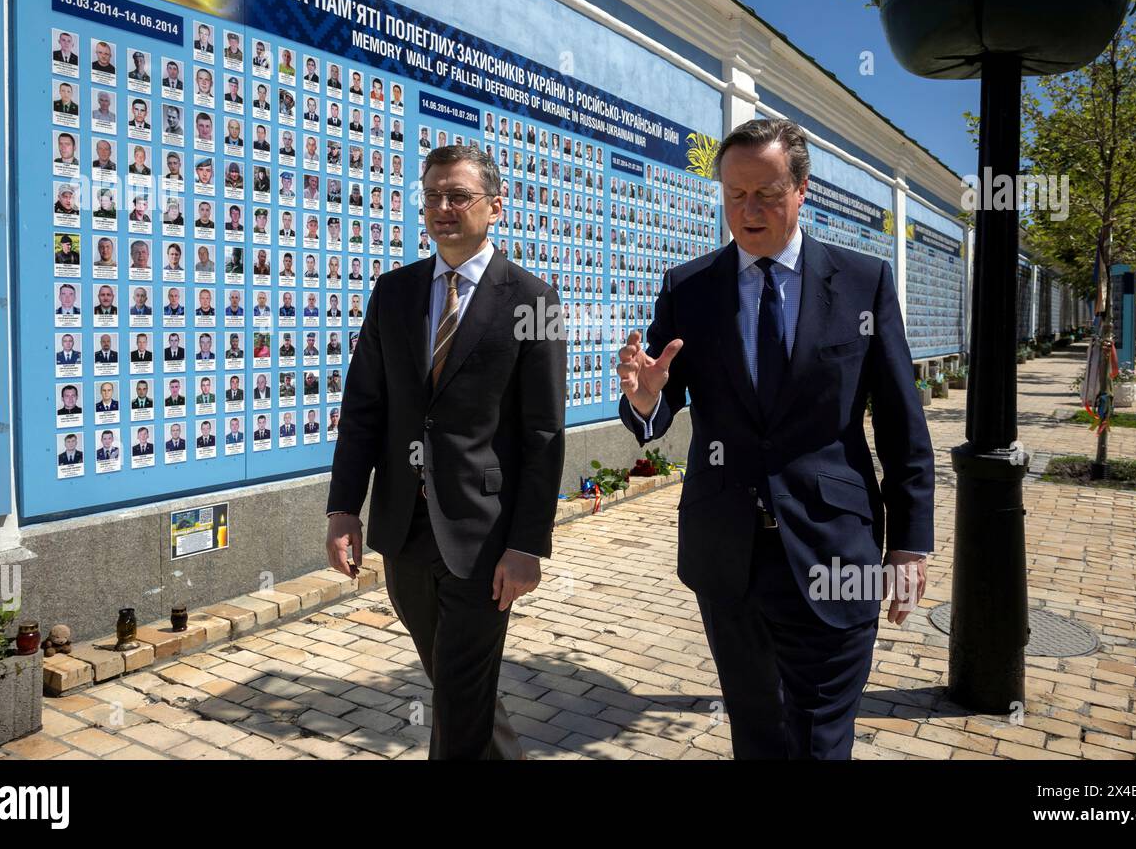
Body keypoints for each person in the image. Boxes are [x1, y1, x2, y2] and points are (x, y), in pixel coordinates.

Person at [615, 118, 933, 760]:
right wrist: (647, 401)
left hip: (834, 549)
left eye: (765, 193)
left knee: (818, 738)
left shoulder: (862, 282)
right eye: (735, 195)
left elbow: (902, 422)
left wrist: (909, 546)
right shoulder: (690, 288)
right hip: (727, 552)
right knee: (756, 734)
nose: (748, 210)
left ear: (801, 189)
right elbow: (664, 397)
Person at [325, 144, 565, 760]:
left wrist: (528, 544)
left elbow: (542, 435)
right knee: (457, 678)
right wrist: (344, 508)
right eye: (431, 194)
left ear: (496, 206)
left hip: (484, 539)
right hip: (404, 531)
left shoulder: (533, 301)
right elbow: (363, 410)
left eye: (458, 195)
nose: (442, 207)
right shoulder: (394, 293)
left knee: (457, 698)